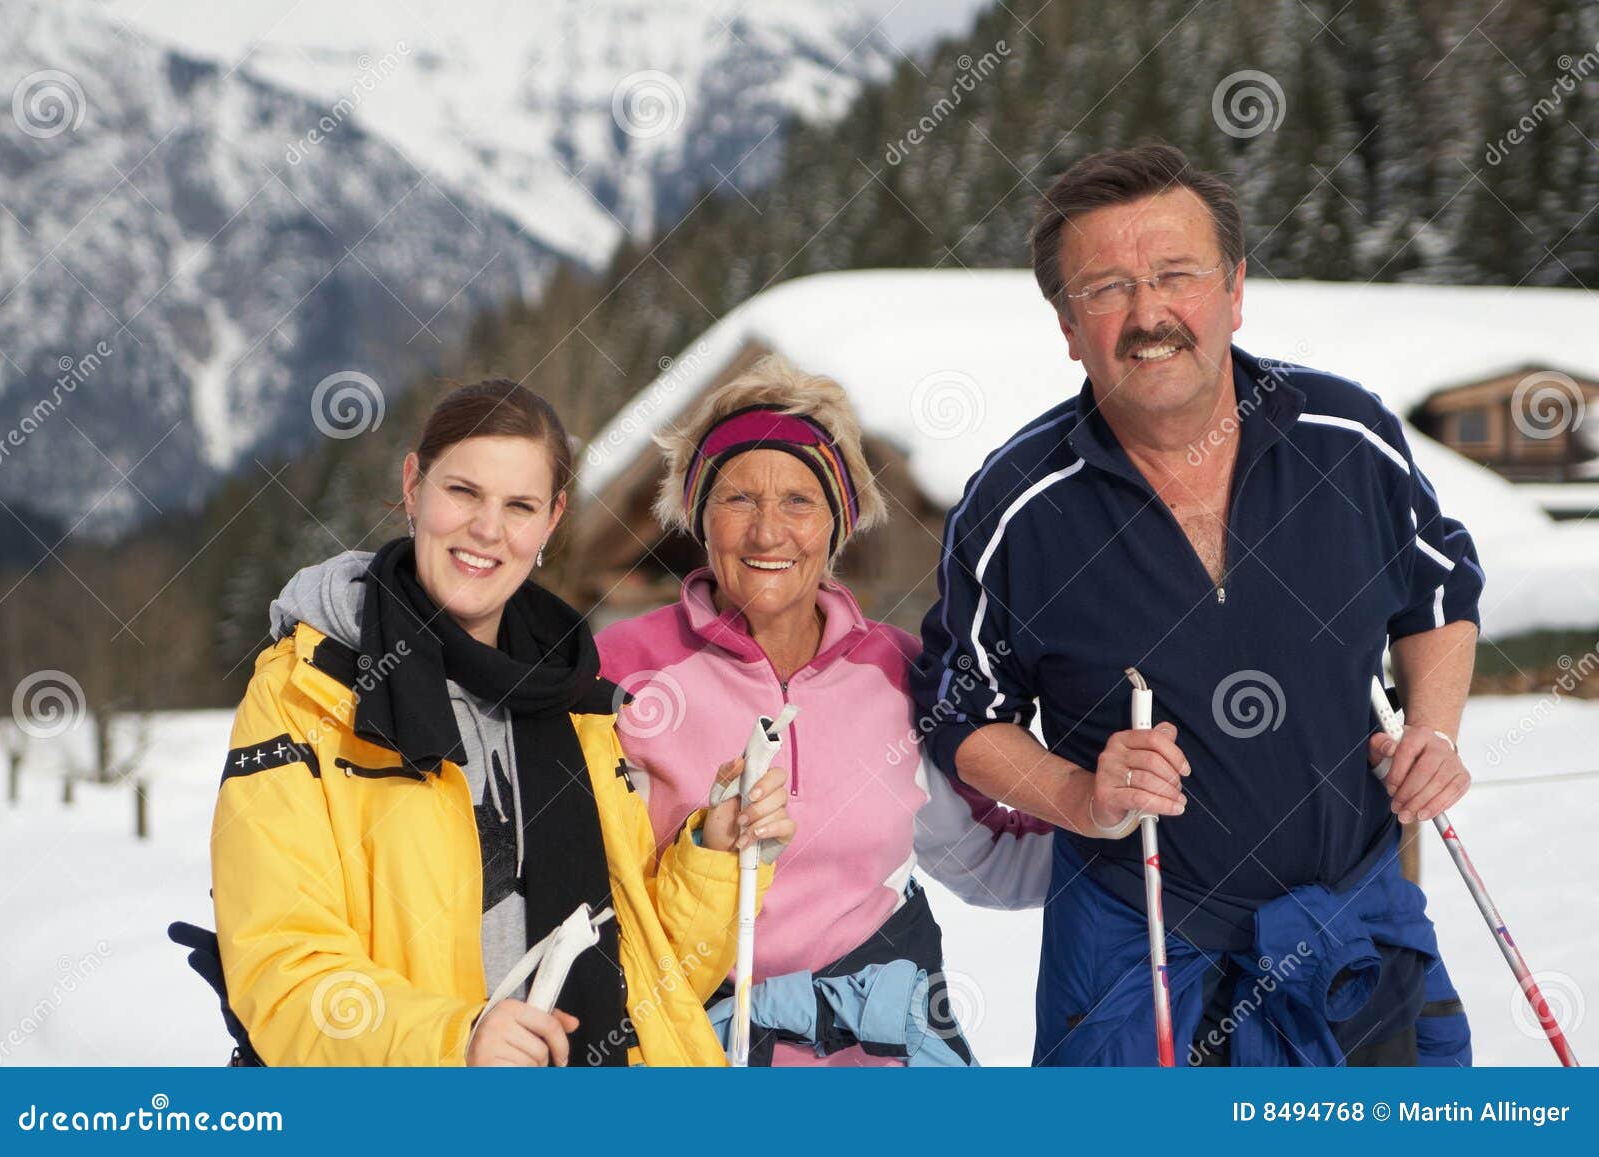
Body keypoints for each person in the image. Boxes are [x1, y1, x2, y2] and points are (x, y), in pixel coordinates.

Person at [913, 144, 1482, 1067]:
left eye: (1176, 275)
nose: (1148, 315)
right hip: (1136, 962)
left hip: (1353, 931)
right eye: (1105, 289)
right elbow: (959, 710)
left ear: (1235, 287)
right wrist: (1078, 795)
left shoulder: (1347, 440)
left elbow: (1441, 588)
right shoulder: (1017, 505)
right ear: (1066, 325)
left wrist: (1437, 730)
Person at [207, 380, 792, 1066]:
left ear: (552, 520)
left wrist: (716, 855)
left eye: (519, 505)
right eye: (463, 491)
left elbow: (643, 987)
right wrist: (455, 1043)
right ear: (413, 484)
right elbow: (278, 969)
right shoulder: (307, 692)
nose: (488, 529)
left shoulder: (574, 697)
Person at [597, 355, 1052, 1067]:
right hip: (684, 1042)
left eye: (799, 501)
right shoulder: (619, 670)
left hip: (880, 1046)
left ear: (839, 521)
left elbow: (981, 852)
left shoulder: (901, 673)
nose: (767, 532)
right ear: (697, 513)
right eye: (738, 498)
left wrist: (1111, 823)